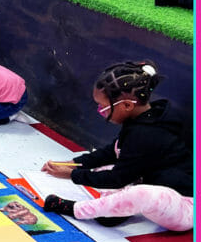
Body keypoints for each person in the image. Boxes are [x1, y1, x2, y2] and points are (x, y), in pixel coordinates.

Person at [41, 61, 193, 231]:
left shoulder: (146, 133)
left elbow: (117, 178)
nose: (101, 111)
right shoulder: (143, 119)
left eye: (103, 107)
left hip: (186, 205)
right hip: (154, 180)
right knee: (104, 171)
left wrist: (72, 175)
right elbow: (113, 151)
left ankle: (75, 208)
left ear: (127, 105)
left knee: (140, 193)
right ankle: (115, 208)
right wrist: (74, 163)